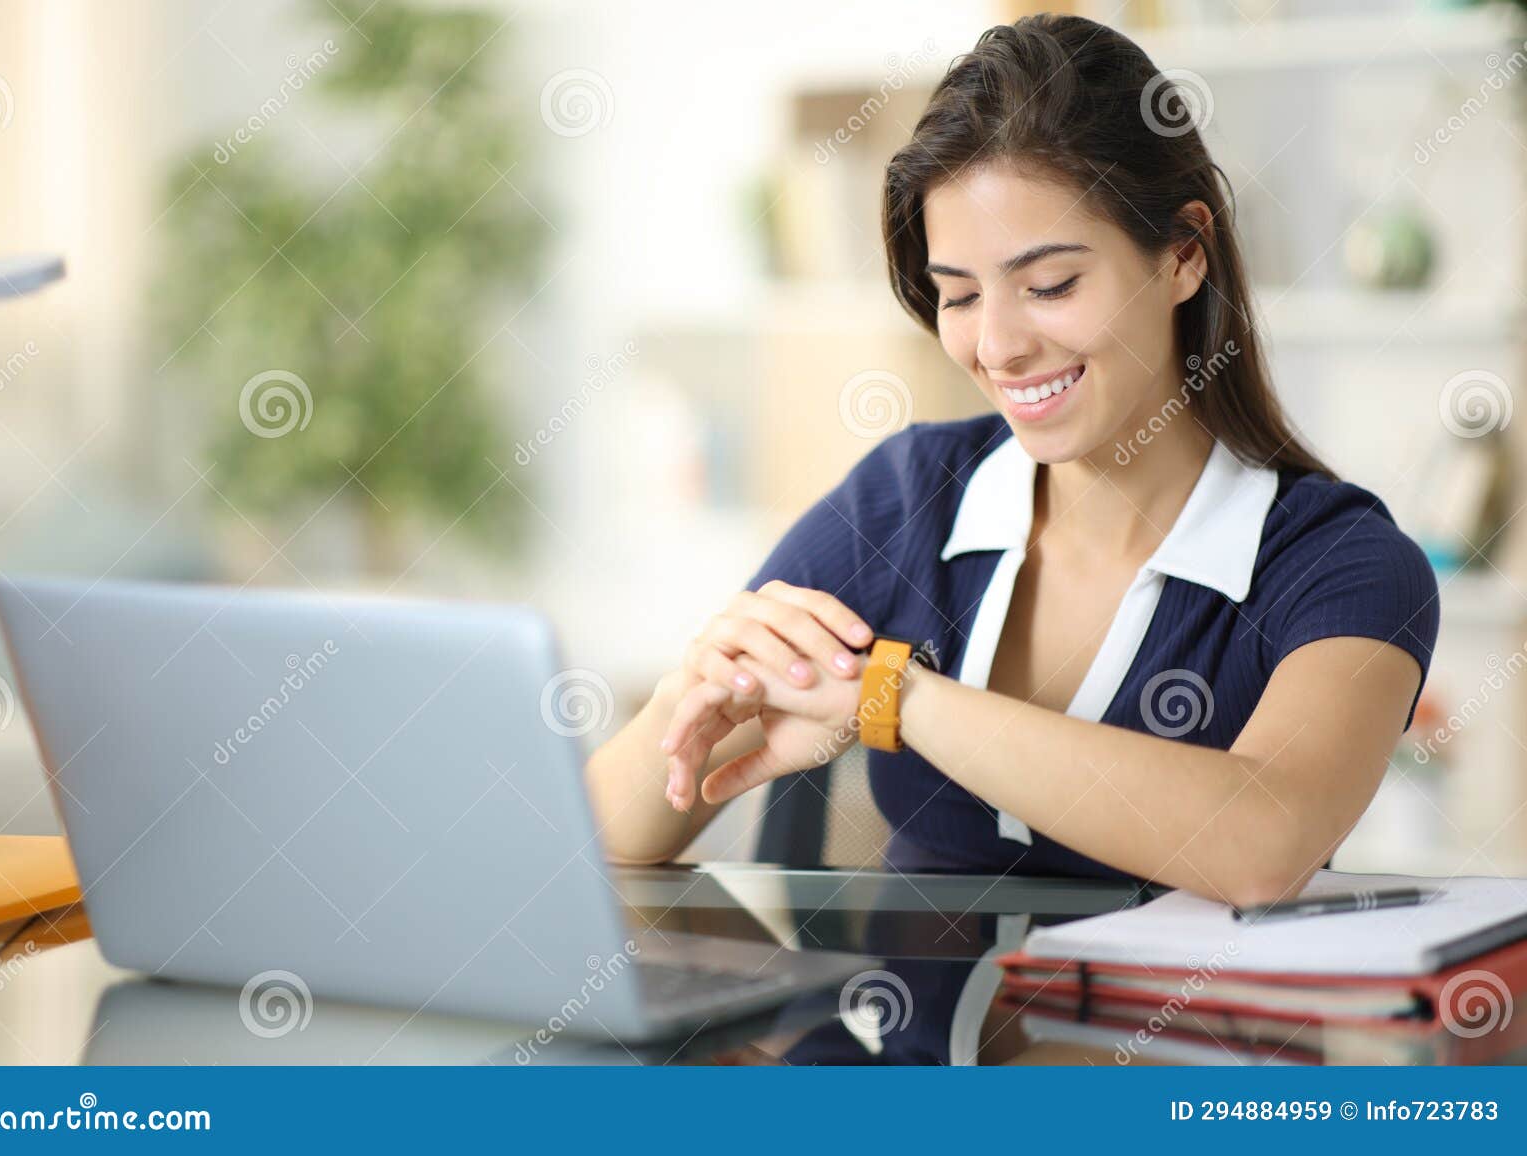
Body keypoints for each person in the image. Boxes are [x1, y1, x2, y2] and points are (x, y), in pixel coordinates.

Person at [584, 13, 1439, 907]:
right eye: (958, 296)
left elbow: (1264, 844)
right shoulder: (907, 498)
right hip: (898, 1004)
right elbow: (595, 840)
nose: (997, 347)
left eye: (1049, 286)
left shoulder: (1342, 565)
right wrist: (693, 693)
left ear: (1184, 255)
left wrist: (896, 698)